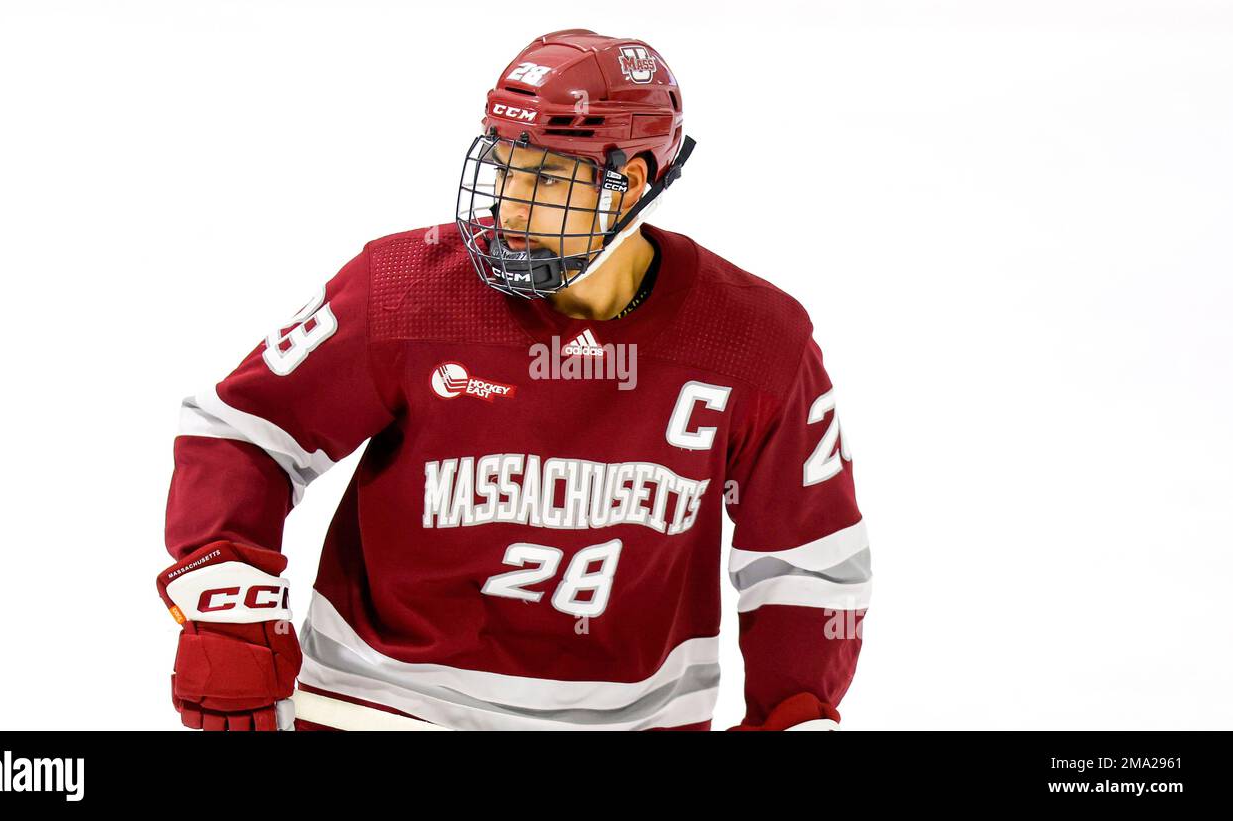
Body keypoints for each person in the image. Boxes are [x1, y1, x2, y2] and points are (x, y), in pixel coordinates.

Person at [156, 28, 871, 731]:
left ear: (635, 181)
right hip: (378, 707)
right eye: (506, 165)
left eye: (550, 175)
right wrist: (231, 610)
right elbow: (244, 431)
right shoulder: (405, 289)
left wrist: (793, 711)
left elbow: (807, 560)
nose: (513, 207)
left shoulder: (754, 340)